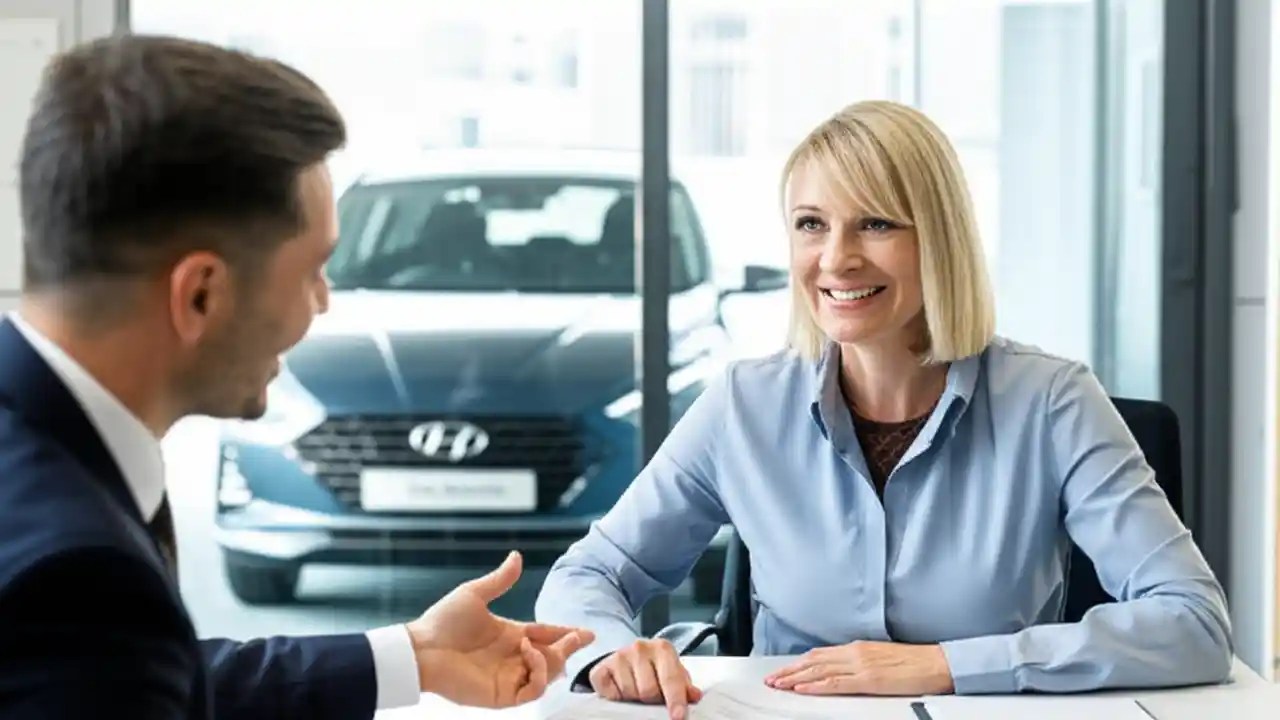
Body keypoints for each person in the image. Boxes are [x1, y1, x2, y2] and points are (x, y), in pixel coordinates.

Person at [535, 99, 1233, 719]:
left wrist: (949, 666)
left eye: (874, 224)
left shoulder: (1053, 403)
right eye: (812, 224)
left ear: (939, 239)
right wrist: (609, 653)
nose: (836, 260)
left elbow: (1193, 624)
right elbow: (589, 575)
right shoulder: (744, 406)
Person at [0, 34, 592, 719]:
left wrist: (416, 656)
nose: (324, 299)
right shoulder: (73, 572)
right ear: (202, 295)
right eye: (313, 269)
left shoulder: (56, 542)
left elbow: (123, 676)